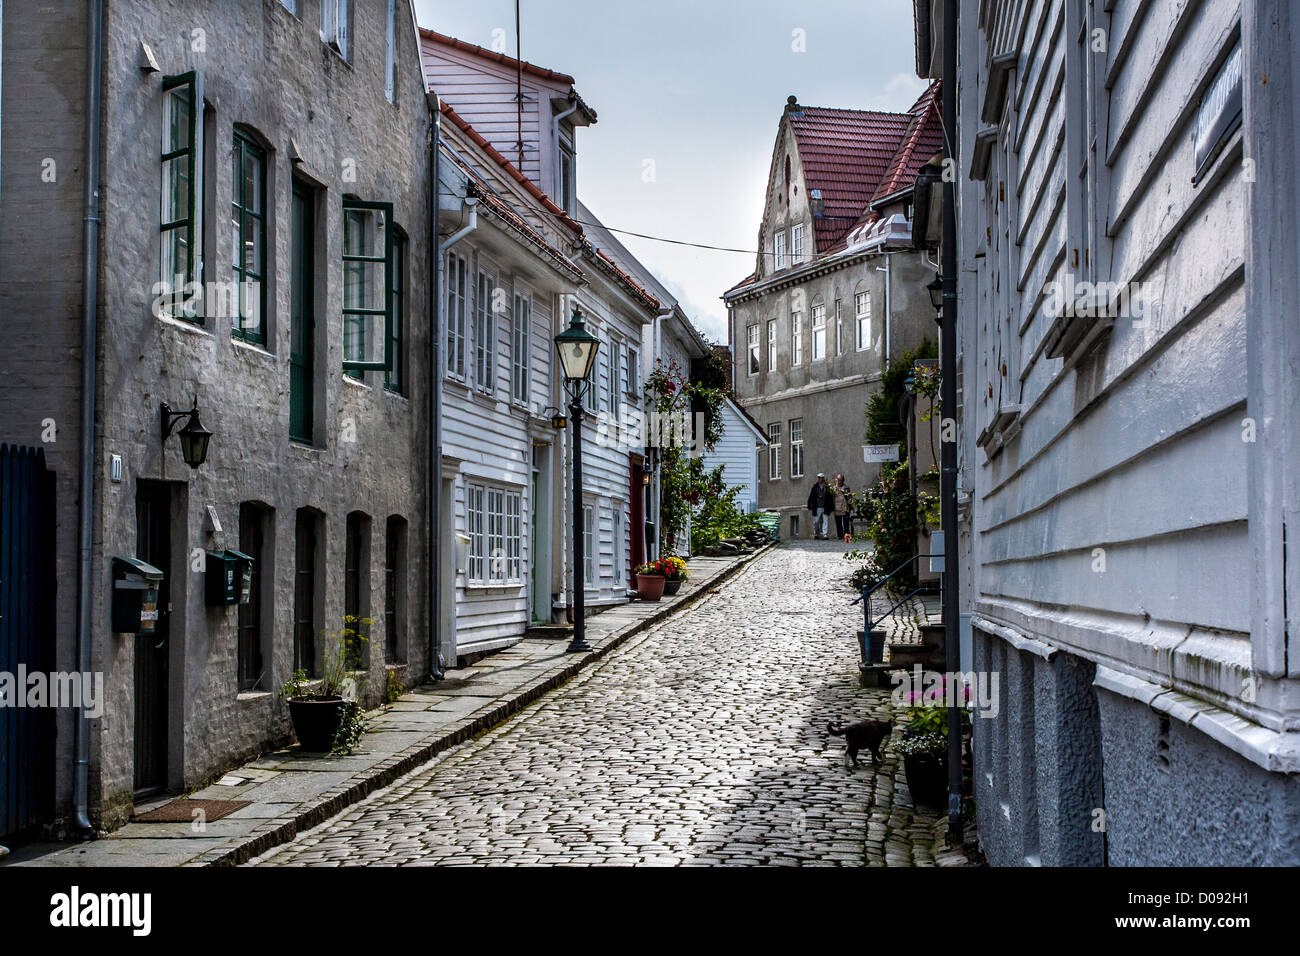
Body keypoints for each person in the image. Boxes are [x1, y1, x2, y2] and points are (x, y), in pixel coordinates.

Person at [806, 473, 830, 540]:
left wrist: (830, 507)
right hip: (817, 507)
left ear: (823, 479)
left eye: (821, 478)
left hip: (825, 507)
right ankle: (816, 533)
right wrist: (809, 505)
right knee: (816, 521)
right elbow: (811, 496)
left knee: (825, 521)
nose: (819, 479)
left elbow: (830, 497)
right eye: (818, 478)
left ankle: (825, 534)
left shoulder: (827, 487)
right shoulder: (815, 487)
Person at [832, 474, 852, 541]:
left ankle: (847, 536)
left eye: (840, 480)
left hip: (845, 508)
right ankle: (840, 536)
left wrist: (850, 504)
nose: (839, 481)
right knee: (838, 524)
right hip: (837, 508)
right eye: (838, 480)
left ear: (843, 480)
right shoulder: (834, 488)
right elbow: (832, 497)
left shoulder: (846, 487)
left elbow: (849, 497)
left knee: (846, 524)